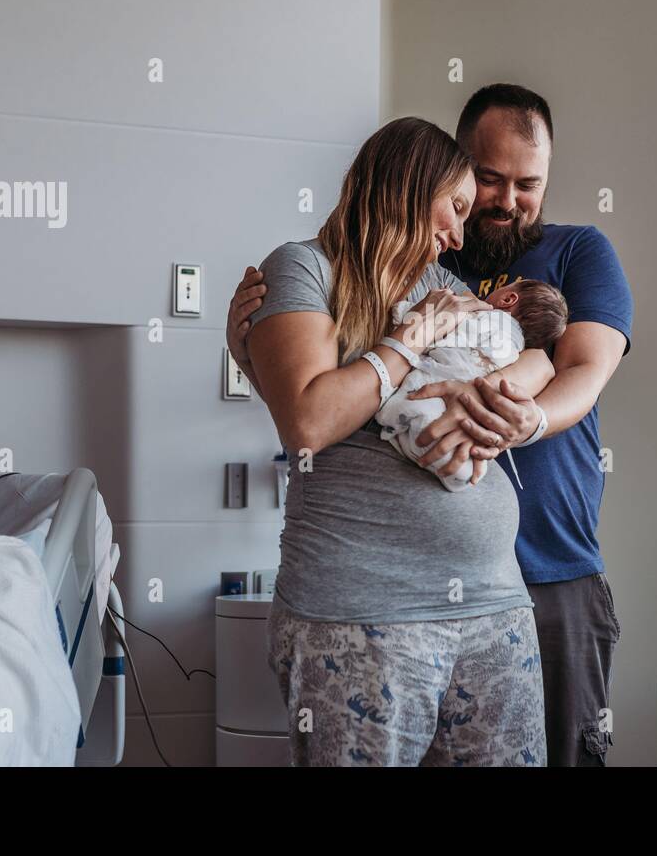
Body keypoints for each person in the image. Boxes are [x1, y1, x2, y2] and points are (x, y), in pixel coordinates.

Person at [230, 85, 633, 766]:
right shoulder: (310, 268)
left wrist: (506, 408)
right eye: (474, 192)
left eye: (527, 183)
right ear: (422, 183)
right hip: (366, 605)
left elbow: (558, 362)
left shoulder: (482, 274)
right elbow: (309, 416)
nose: (472, 221)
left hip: (509, 599)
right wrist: (399, 346)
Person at [377, 279, 568, 490]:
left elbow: (437, 326)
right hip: (462, 403)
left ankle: (400, 421)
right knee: (445, 431)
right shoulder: (516, 352)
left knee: (420, 395)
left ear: (508, 298)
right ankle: (454, 467)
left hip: (440, 379)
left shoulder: (483, 317)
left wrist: (403, 312)